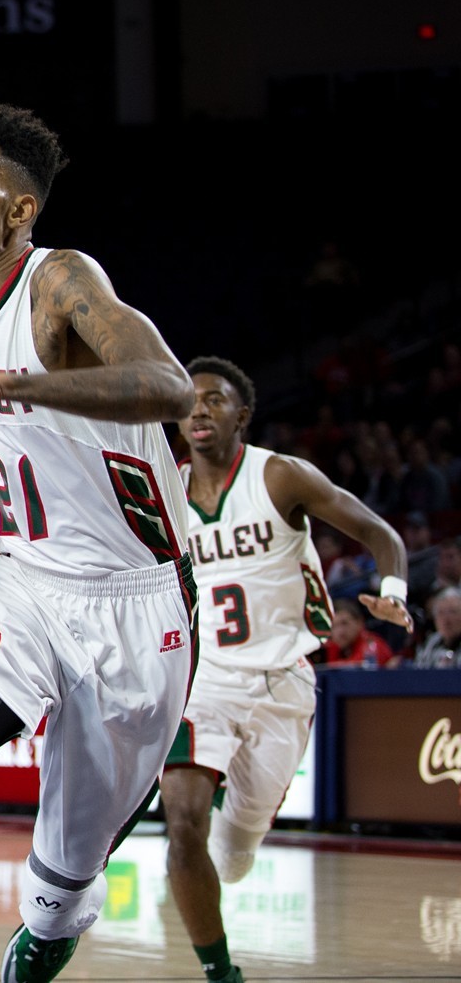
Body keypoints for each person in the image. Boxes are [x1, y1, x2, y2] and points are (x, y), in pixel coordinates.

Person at [0, 102, 198, 983]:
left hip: (135, 606)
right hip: (23, 583)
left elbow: (170, 389)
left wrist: (7, 384)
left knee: (58, 892)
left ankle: (52, 929)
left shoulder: (61, 280)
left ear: (20, 209)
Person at [161, 355, 411, 983]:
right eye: (190, 399)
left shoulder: (280, 477)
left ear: (242, 415)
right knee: (183, 822)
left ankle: (234, 836)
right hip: (203, 680)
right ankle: (220, 970)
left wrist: (394, 592)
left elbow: (381, 533)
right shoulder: (162, 488)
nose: (199, 409)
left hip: (281, 682)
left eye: (215, 399)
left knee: (237, 851)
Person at [323, 596, 398, 667]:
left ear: (359, 622)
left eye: (344, 623)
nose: (340, 632)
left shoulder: (372, 644)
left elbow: (358, 673)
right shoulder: (330, 647)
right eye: (333, 626)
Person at [414, 586, 461, 668]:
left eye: (453, 612)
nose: (446, 620)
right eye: (440, 613)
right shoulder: (432, 643)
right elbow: (420, 672)